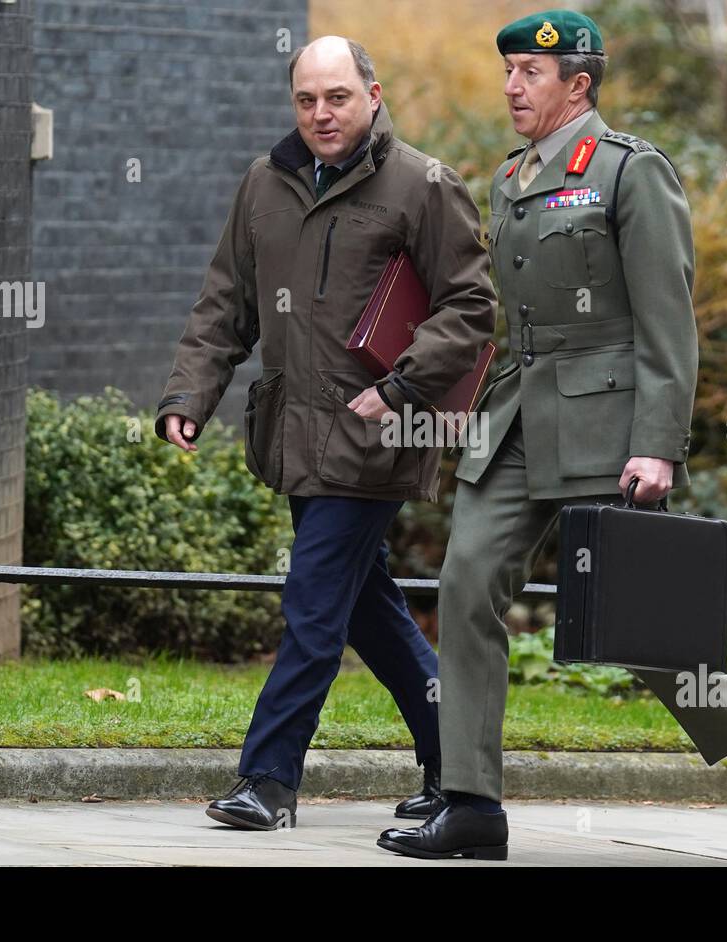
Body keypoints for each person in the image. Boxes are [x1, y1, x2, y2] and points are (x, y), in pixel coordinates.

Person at [377, 9, 727, 862]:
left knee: (637, 624)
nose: (510, 87)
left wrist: (658, 440)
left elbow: (667, 318)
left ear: (579, 82)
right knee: (465, 585)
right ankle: (471, 803)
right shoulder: (510, 178)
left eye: (529, 74)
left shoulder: (629, 172)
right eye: (506, 73)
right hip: (518, 414)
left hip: (608, 422)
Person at [155, 35, 496, 830]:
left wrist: (402, 384)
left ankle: (269, 778)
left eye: (337, 97)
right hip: (295, 436)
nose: (321, 114)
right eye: (307, 100)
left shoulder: (422, 186)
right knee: (364, 605)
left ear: (372, 95)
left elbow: (471, 309)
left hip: (379, 434)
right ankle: (458, 760)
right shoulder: (263, 185)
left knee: (311, 604)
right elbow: (223, 305)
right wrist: (187, 396)